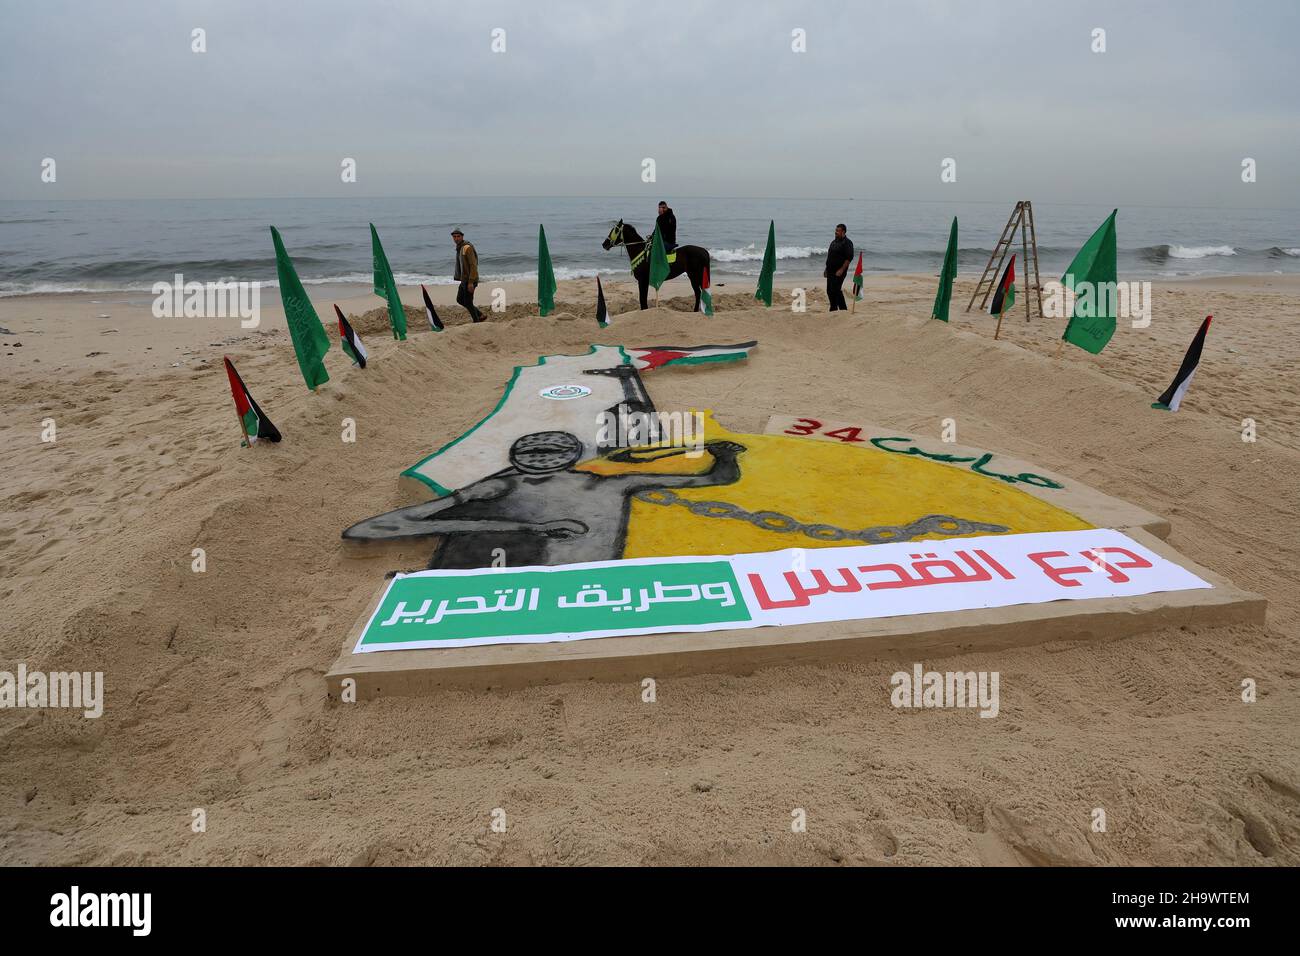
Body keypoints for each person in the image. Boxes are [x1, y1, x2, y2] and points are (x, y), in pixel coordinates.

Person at [343, 431, 746, 569]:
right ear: (515, 458)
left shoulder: (611, 484)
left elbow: (712, 482)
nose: (538, 458)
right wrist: (464, 500)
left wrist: (724, 454)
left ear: (571, 456)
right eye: (530, 452)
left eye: (550, 451)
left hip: (587, 586)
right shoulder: (495, 490)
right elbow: (373, 527)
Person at [451, 228, 483, 322]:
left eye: (458, 236)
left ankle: (476, 321)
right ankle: (480, 315)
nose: (456, 238)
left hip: (470, 280)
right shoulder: (460, 247)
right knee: (460, 299)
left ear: (462, 236)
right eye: (454, 237)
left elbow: (473, 265)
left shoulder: (466, 248)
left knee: (468, 302)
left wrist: (471, 282)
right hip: (464, 280)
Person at [824, 223, 854, 312]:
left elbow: (849, 258)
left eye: (838, 231)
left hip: (839, 271)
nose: (835, 232)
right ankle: (833, 308)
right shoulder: (834, 242)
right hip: (830, 270)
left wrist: (841, 269)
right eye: (835, 230)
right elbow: (829, 256)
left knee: (836, 289)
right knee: (829, 290)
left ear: (843, 232)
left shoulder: (847, 243)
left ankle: (843, 309)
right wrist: (826, 269)